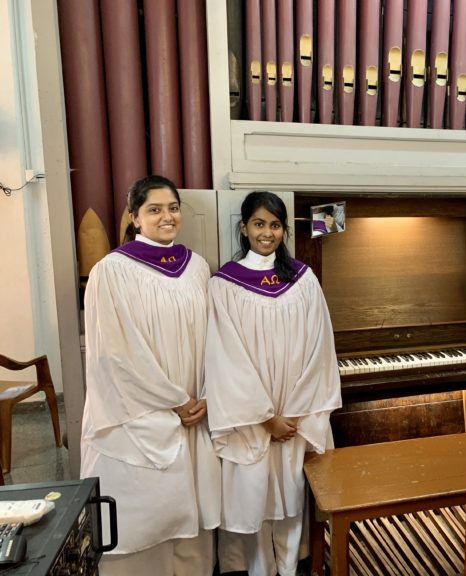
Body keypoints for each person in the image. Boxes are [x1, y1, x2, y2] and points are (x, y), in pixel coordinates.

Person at [80, 175, 221, 575]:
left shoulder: (196, 267)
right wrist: (174, 399)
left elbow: (213, 336)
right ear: (135, 218)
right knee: (145, 519)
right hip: (141, 415)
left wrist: (207, 393)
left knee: (191, 524)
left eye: (173, 208)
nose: (167, 216)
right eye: (154, 209)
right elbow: (116, 352)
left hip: (194, 412)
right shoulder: (111, 271)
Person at [205, 191, 342, 576]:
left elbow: (320, 346)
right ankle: (259, 568)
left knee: (293, 493)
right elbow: (225, 357)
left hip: (295, 411)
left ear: (284, 230)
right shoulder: (224, 284)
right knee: (255, 493)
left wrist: (294, 413)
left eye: (275, 225)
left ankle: (292, 565)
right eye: (259, 224)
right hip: (252, 416)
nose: (268, 233)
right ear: (244, 228)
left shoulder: (302, 279)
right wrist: (266, 418)